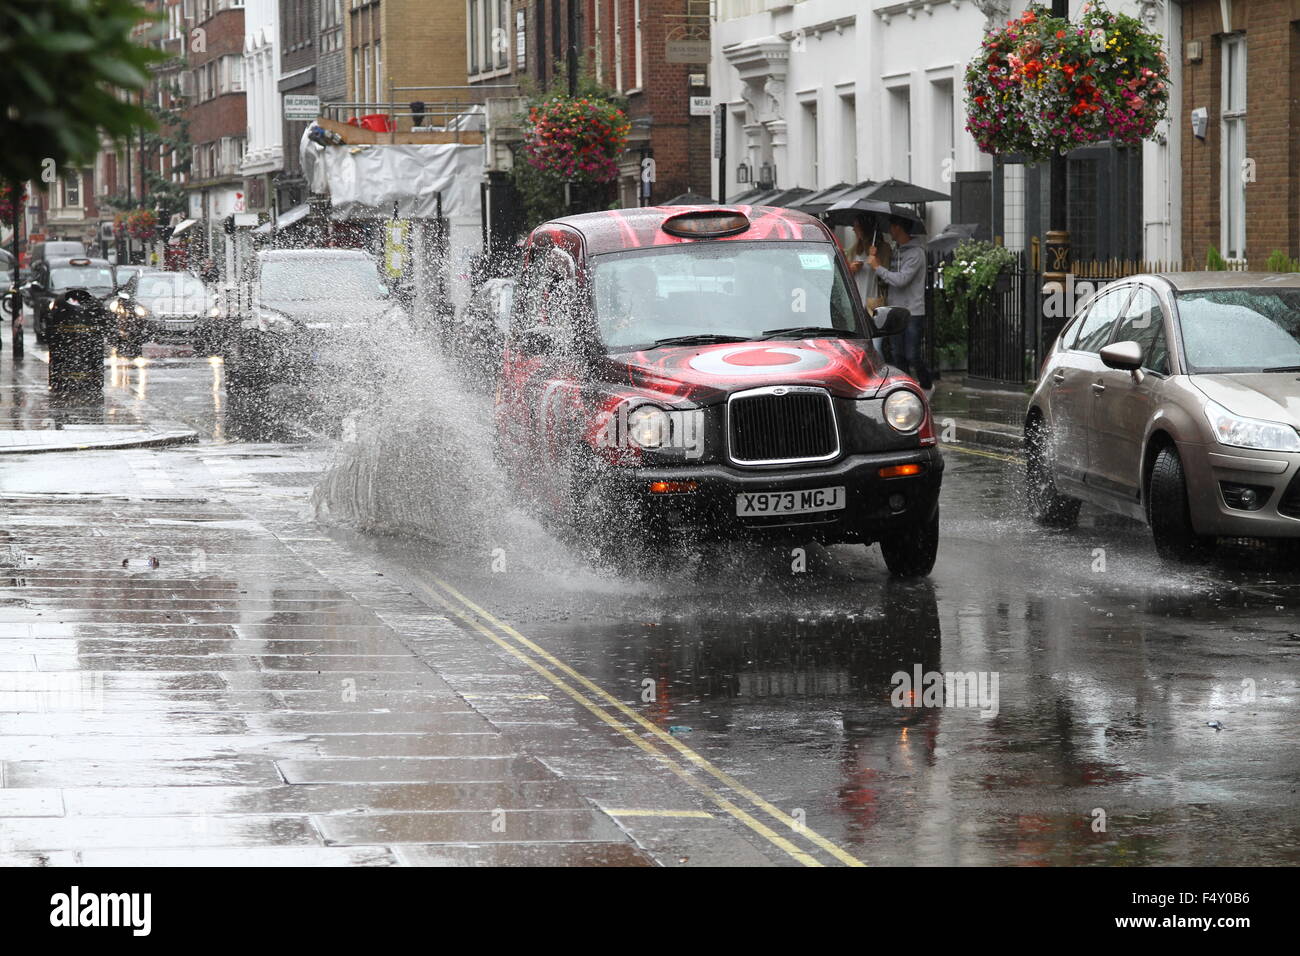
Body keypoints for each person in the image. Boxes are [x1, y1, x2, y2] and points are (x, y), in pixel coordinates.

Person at [869, 214, 932, 395]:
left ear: (898, 228)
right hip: (895, 310)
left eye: (891, 226)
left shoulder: (916, 253)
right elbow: (888, 279)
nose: (889, 230)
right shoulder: (897, 250)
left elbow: (902, 280)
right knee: (898, 355)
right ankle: (906, 390)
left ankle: (927, 383)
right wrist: (876, 262)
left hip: (913, 311)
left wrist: (877, 267)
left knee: (912, 355)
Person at [847, 214, 891, 355]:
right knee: (858, 347)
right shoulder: (854, 249)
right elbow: (845, 274)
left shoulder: (883, 248)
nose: (854, 229)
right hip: (857, 303)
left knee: (876, 348)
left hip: (874, 303)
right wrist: (851, 269)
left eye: (857, 226)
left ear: (864, 228)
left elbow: (886, 276)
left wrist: (876, 259)